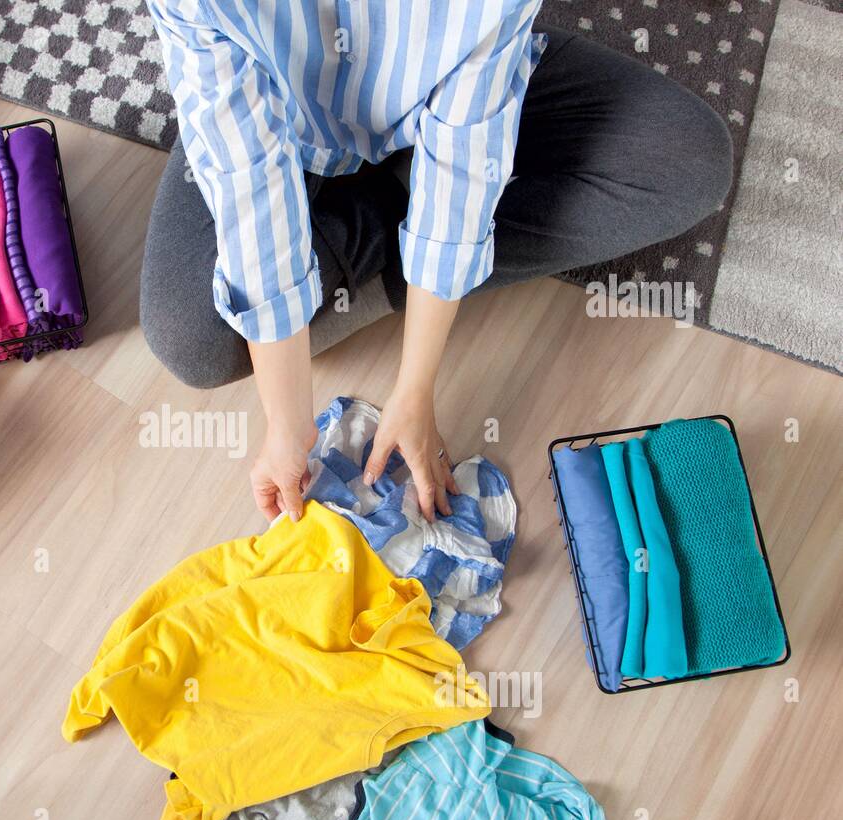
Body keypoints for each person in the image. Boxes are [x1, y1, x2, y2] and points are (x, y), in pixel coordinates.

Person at [140, 1, 733, 523]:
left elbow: (464, 158)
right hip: (283, 127)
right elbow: (251, 183)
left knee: (687, 161)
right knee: (193, 338)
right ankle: (398, 221)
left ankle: (402, 232)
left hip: (445, 89)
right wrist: (289, 421)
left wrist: (416, 386)